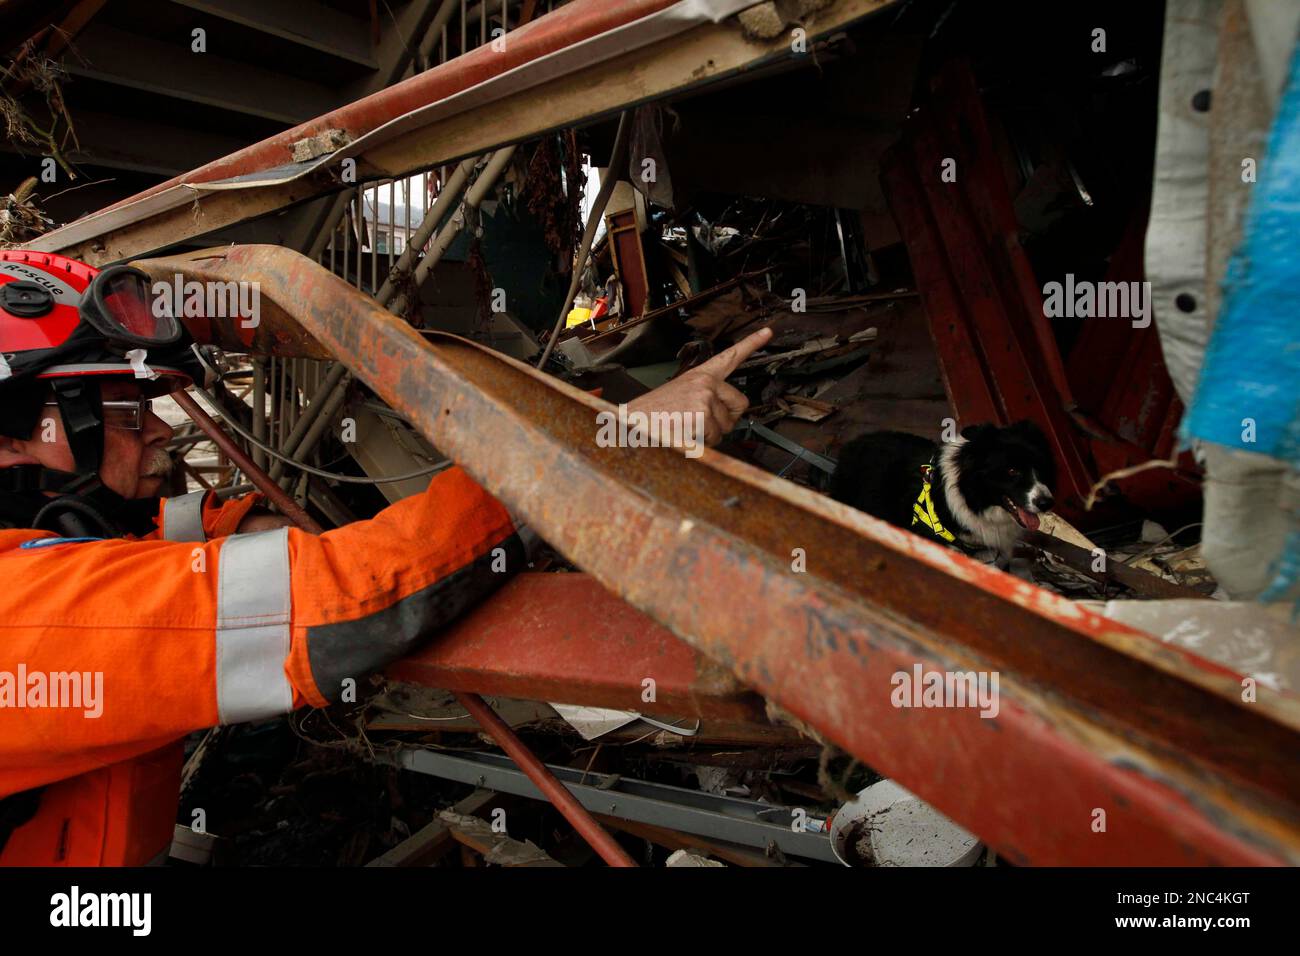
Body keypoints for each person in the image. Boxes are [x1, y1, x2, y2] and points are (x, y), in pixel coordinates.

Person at [0, 249, 770, 865]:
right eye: (129, 410)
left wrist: (238, 520)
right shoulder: (23, 617)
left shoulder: (42, 550)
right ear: (12, 436)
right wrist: (603, 450)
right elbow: (336, 602)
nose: (163, 432)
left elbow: (138, 550)